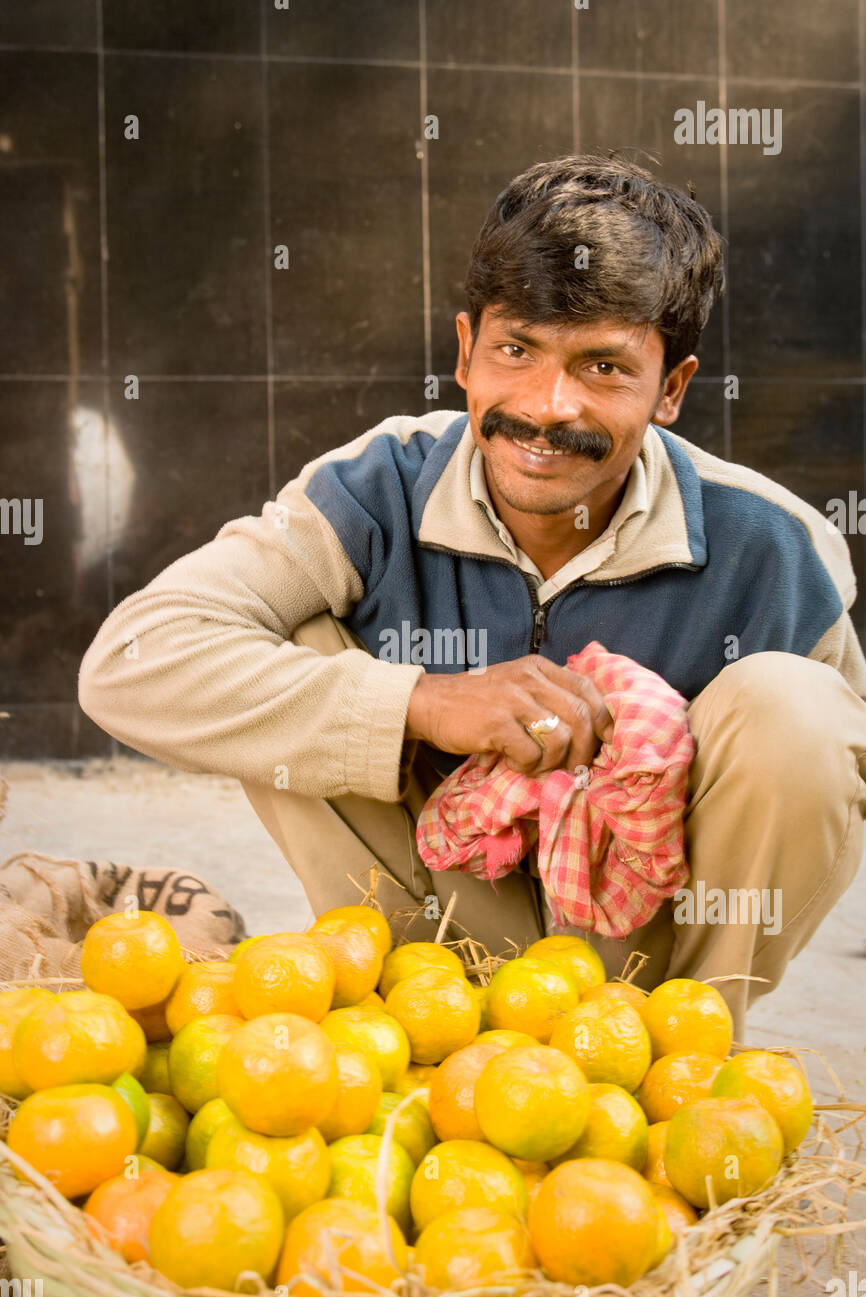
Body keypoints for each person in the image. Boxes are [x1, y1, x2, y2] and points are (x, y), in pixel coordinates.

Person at [78, 153, 866, 1038]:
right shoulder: (375, 488)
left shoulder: (773, 545)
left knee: (800, 708)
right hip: (432, 946)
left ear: (673, 389)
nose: (546, 407)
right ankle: (423, 1030)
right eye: (516, 350)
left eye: (604, 367)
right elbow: (127, 663)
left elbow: (834, 780)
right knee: (292, 633)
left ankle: (685, 1056)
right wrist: (423, 701)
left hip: (651, 976)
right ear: (466, 352)